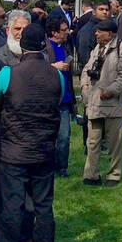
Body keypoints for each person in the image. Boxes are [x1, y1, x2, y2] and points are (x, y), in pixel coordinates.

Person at [0, 22, 65, 242]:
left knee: (12, 205)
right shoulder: (58, 76)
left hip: (13, 151)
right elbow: (57, 101)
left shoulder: (8, 73)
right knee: (44, 206)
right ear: (44, 45)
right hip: (44, 149)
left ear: (21, 46)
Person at [81, 17, 122, 186]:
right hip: (94, 102)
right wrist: (84, 85)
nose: (96, 34)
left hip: (113, 104)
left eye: (99, 31)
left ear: (110, 34)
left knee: (114, 143)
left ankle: (113, 174)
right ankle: (91, 175)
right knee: (92, 142)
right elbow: (87, 69)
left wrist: (110, 91)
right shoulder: (97, 49)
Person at [46, 16, 76, 178]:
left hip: (64, 100)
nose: (67, 33)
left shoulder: (65, 47)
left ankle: (62, 168)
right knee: (48, 137)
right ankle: (48, 166)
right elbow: (36, 69)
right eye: (64, 30)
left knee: (64, 136)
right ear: (54, 32)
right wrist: (53, 67)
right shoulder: (43, 48)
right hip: (49, 100)